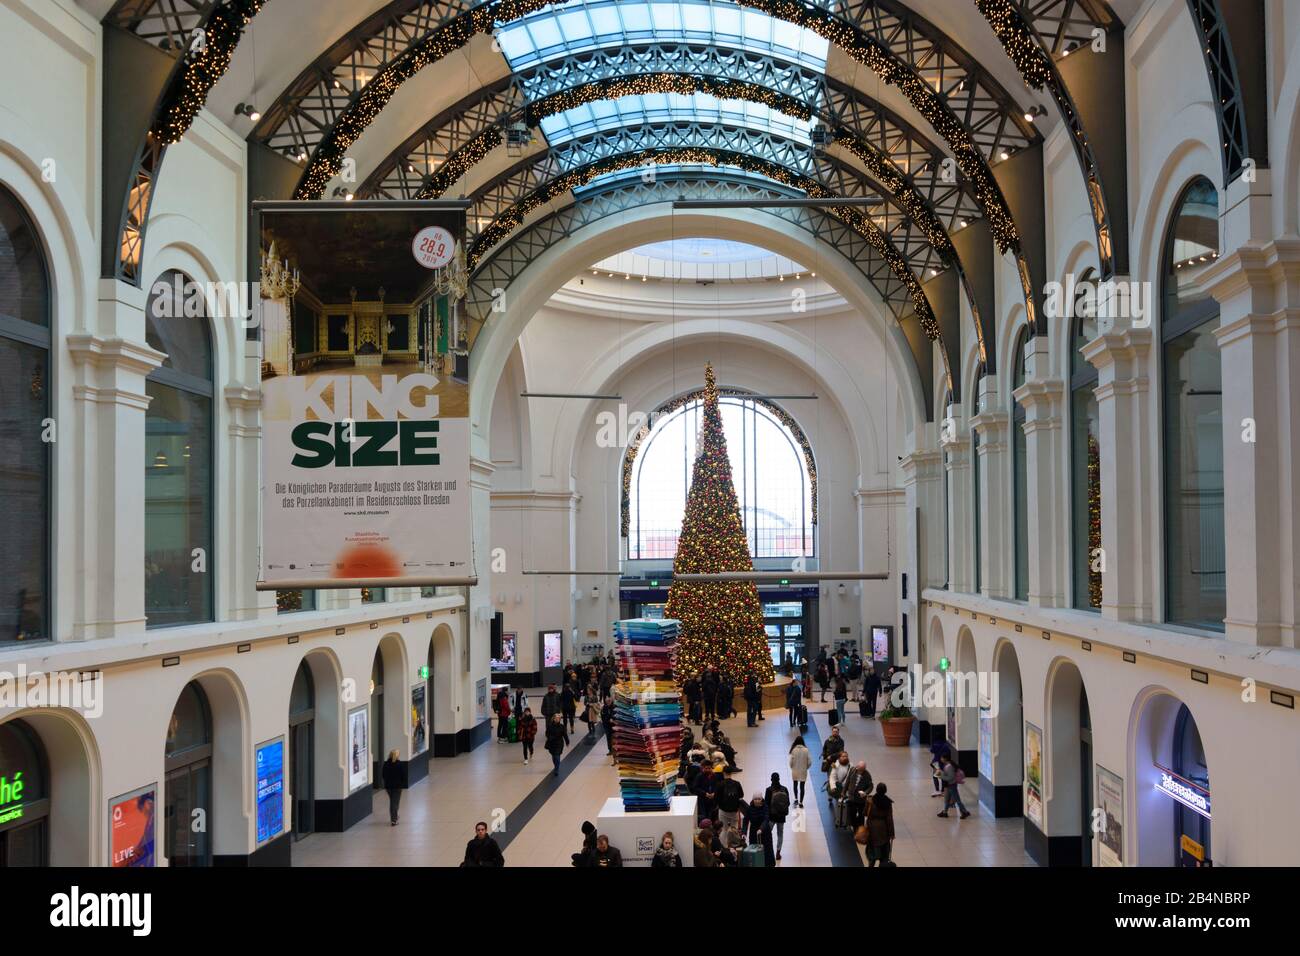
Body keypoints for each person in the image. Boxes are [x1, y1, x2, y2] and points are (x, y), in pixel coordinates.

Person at [864, 783, 895, 867]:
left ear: (876, 790)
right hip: (883, 829)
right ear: (885, 791)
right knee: (884, 854)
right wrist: (892, 833)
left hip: (871, 828)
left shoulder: (870, 800)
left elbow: (865, 813)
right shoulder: (888, 802)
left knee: (872, 854)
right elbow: (889, 819)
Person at [765, 772, 791, 861]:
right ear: (779, 779)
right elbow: (788, 803)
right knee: (780, 834)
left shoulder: (769, 790)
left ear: (771, 779)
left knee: (767, 833)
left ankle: (768, 850)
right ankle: (778, 853)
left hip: (772, 817)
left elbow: (766, 805)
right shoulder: (784, 789)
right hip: (781, 817)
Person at [936, 753, 971, 819]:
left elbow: (950, 777)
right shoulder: (948, 765)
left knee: (957, 800)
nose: (941, 759)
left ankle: (965, 812)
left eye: (941, 758)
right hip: (949, 785)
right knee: (947, 800)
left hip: (951, 785)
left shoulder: (949, 766)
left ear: (945, 758)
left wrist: (941, 776)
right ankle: (945, 812)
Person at [844, 760, 873, 830]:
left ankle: (860, 828)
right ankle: (854, 826)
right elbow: (847, 781)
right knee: (852, 813)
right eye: (859, 769)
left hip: (861, 799)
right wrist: (843, 791)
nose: (859, 771)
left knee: (861, 815)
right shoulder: (853, 770)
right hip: (852, 797)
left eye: (861, 770)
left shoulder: (867, 775)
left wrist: (865, 793)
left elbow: (870, 786)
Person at [715, 766, 745, 831]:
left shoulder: (720, 784)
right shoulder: (737, 783)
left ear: (723, 773)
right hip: (734, 811)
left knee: (724, 829)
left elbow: (716, 798)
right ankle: (734, 840)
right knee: (734, 829)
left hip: (723, 810)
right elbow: (741, 795)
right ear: (731, 773)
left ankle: (724, 841)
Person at [827, 751, 852, 828]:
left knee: (846, 805)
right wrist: (833, 787)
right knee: (839, 803)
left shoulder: (851, 766)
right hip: (838, 788)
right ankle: (838, 820)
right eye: (843, 756)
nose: (845, 758)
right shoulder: (835, 766)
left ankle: (845, 821)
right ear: (839, 757)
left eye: (846, 756)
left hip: (846, 789)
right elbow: (832, 777)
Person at [788, 736, 811, 808]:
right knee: (802, 786)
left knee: (795, 785)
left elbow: (791, 762)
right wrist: (806, 767)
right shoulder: (806, 750)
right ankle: (801, 802)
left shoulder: (793, 750)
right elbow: (810, 761)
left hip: (795, 770)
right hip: (803, 771)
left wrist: (792, 767)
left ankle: (796, 799)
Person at [544, 712, 569, 777]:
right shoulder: (550, 726)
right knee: (554, 756)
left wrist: (567, 742)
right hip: (551, 743)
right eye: (557, 718)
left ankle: (556, 769)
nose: (558, 719)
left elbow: (565, 735)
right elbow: (547, 733)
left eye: (559, 718)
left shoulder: (562, 727)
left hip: (559, 743)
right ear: (554, 719)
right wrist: (550, 737)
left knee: (557, 756)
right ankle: (556, 766)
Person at [382, 749, 402, 826]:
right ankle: (394, 819)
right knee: (394, 803)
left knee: (393, 801)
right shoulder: (399, 764)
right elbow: (403, 775)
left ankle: (395, 816)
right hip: (397, 787)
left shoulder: (386, 764)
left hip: (388, 786)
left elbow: (383, 775)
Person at [600, 696, 616, 762]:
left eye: (609, 701)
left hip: (613, 725)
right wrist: (607, 720)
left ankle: (614, 751)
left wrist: (612, 718)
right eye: (607, 701)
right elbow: (603, 716)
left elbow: (616, 715)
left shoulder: (614, 707)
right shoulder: (604, 708)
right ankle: (610, 750)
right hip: (607, 725)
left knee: (614, 739)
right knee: (608, 738)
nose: (608, 702)